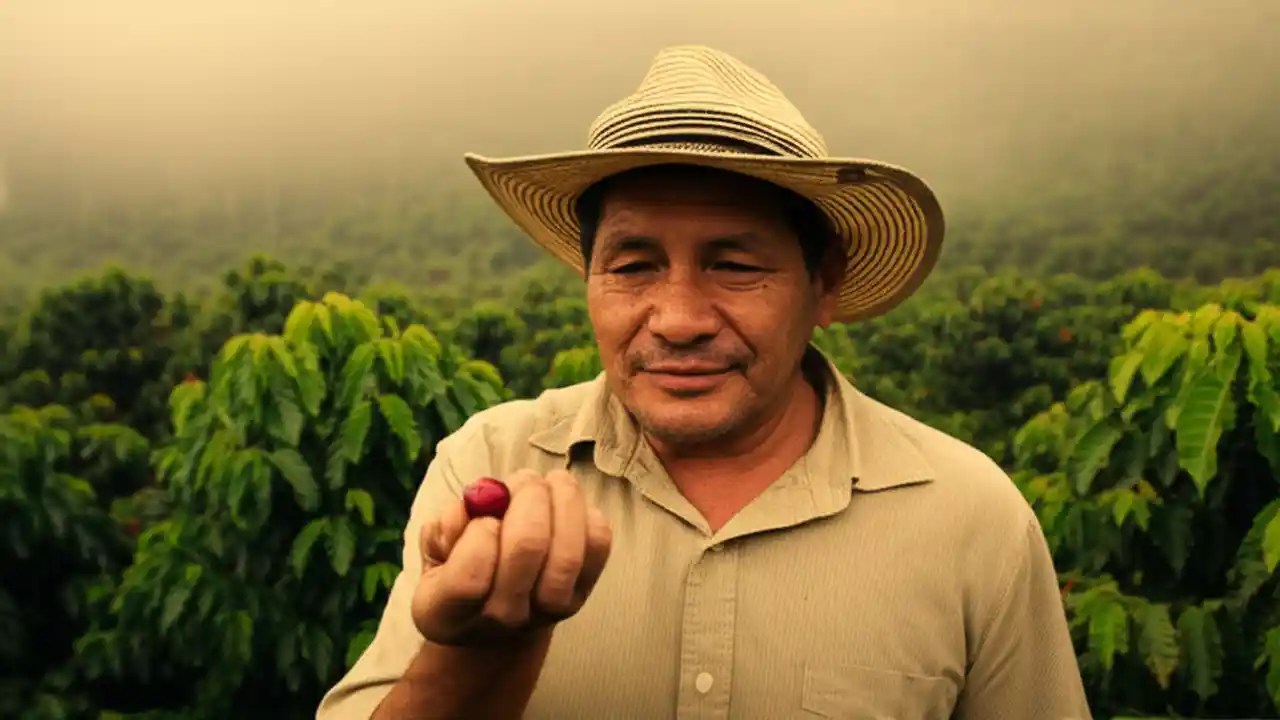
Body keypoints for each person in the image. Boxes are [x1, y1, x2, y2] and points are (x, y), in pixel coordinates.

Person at [316, 45, 1091, 719]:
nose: (679, 317)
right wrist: (481, 655)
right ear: (586, 280)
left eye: (734, 264)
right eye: (633, 265)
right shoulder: (492, 463)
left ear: (823, 286)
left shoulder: (968, 516)